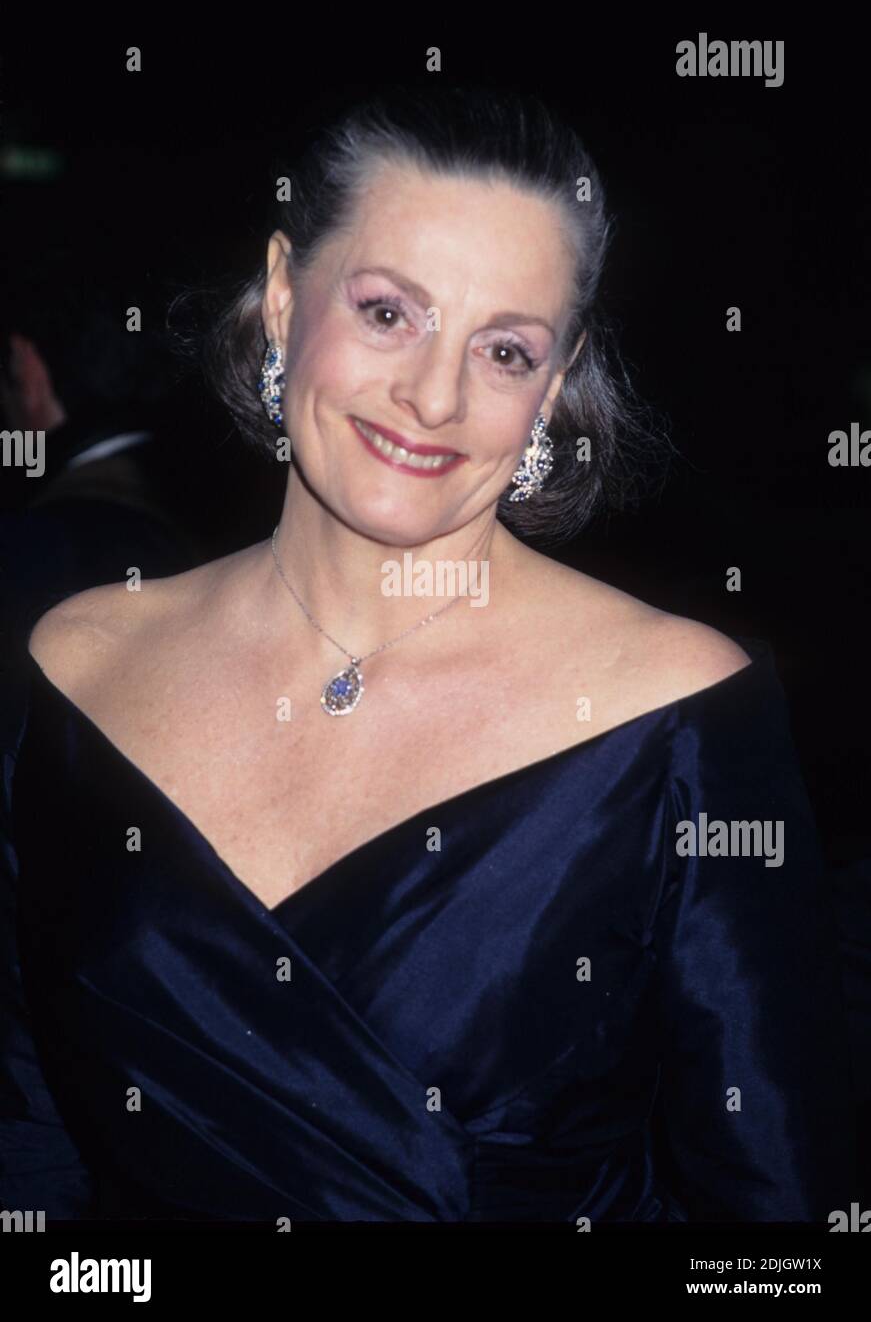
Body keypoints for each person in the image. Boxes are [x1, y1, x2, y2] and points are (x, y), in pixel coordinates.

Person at [0, 84, 855, 1224]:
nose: (435, 395)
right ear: (279, 291)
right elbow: (27, 1154)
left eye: (504, 349)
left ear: (551, 386)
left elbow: (775, 1224)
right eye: (388, 312)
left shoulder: (681, 712)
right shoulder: (72, 669)